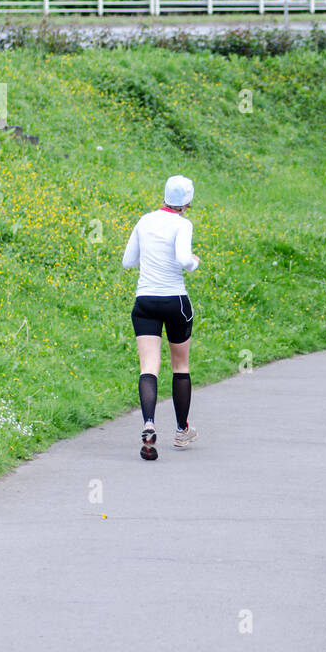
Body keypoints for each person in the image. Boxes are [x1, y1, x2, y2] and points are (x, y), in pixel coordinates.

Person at [122, 175, 201, 460]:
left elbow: (127, 261)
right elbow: (183, 260)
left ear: (165, 196)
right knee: (180, 366)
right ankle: (181, 431)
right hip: (175, 301)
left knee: (149, 366)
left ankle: (149, 424)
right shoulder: (183, 224)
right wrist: (194, 262)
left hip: (145, 301)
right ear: (187, 201)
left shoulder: (145, 221)